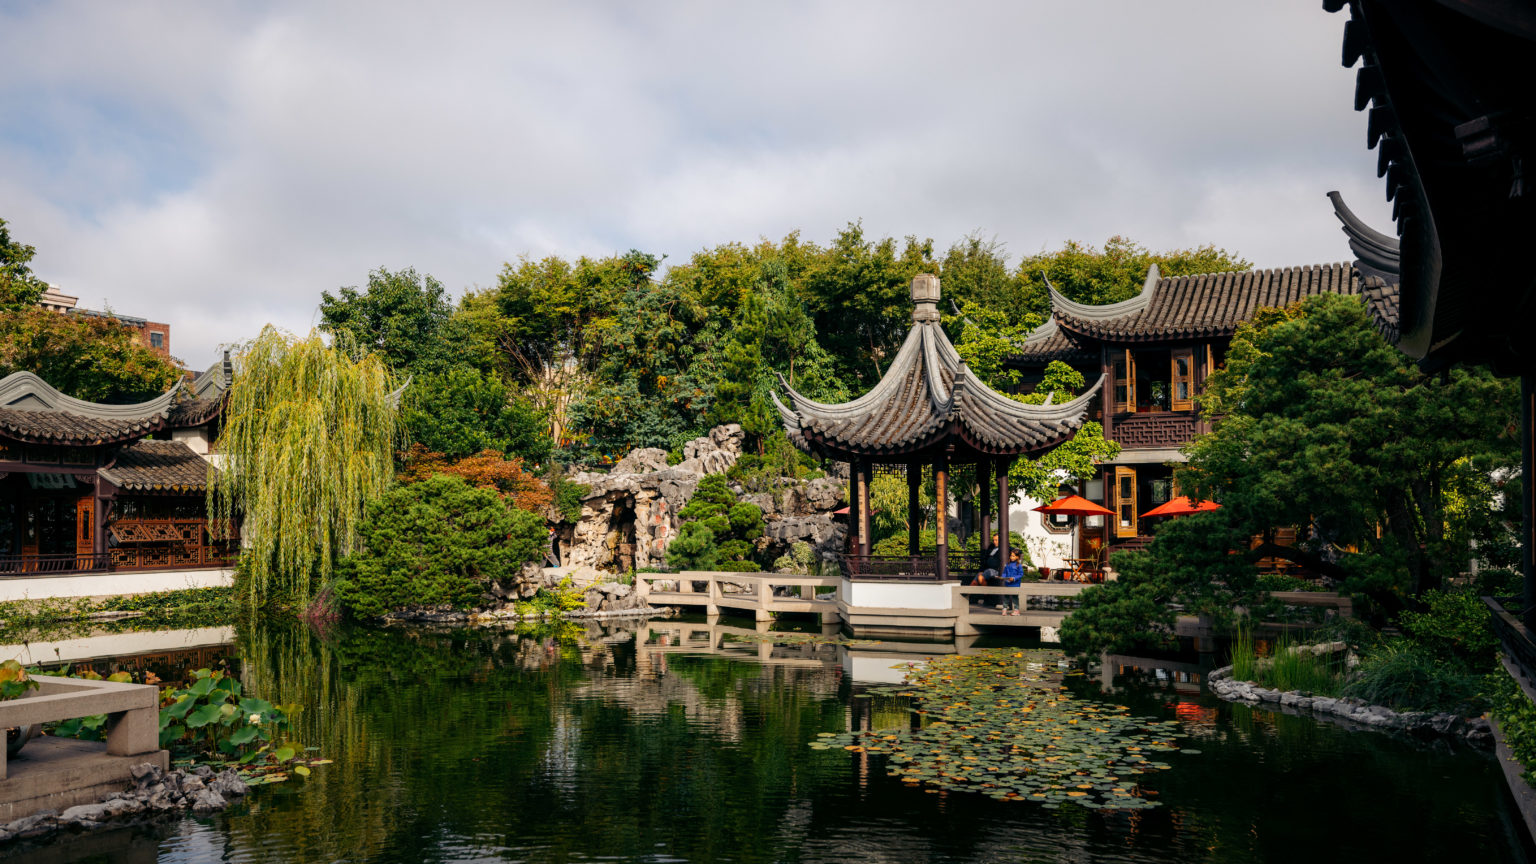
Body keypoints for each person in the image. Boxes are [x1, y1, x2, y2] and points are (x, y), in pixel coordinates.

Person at [1000, 549, 1025, 615]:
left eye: (1013, 556)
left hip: (1015, 584)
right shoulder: (1007, 564)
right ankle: (1004, 609)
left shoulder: (1019, 565)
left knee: (1015, 597)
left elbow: (1020, 574)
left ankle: (1016, 610)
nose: (1011, 557)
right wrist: (1003, 577)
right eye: (1011, 556)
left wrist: (1014, 578)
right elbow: (1004, 573)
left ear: (1017, 557)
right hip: (1007, 583)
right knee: (1006, 597)